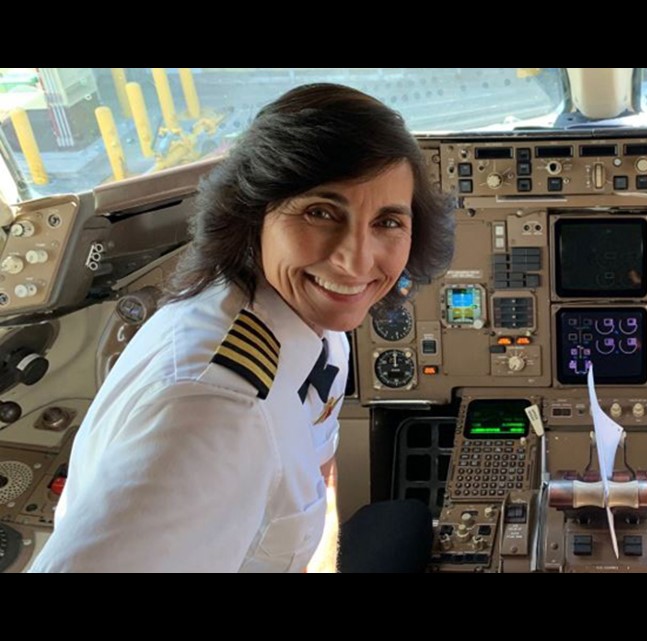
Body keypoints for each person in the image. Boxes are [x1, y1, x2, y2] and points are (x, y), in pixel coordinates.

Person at [30, 83, 455, 572]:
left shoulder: (307, 331)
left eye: (387, 222)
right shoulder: (216, 413)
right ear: (253, 214)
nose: (356, 260)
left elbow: (314, 468)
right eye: (321, 212)